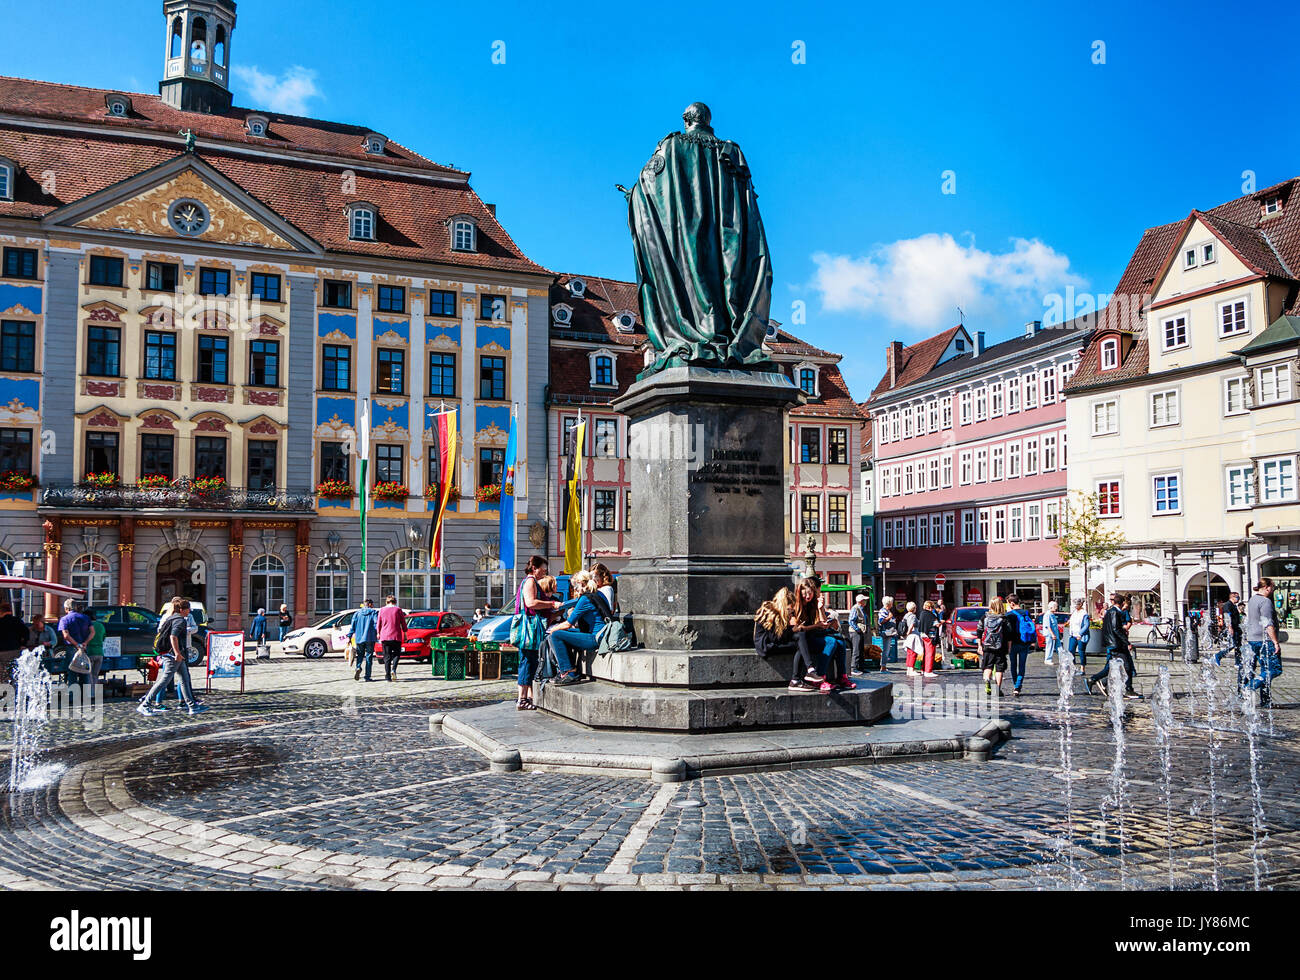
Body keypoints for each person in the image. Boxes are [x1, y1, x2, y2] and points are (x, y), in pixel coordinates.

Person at [137, 599, 207, 716]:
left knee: (184, 680)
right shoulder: (179, 620)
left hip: (176, 655)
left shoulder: (171, 618)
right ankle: (145, 704)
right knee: (164, 680)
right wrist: (177, 653)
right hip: (173, 656)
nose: (189, 611)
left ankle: (192, 706)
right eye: (188, 609)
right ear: (181, 610)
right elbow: (173, 637)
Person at [789, 576, 852, 692]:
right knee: (832, 641)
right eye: (805, 594)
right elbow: (796, 629)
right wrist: (816, 626)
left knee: (840, 641)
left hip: (811, 636)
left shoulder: (812, 605)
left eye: (810, 593)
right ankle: (820, 677)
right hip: (800, 640)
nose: (808, 596)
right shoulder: (793, 606)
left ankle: (842, 676)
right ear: (799, 592)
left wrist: (821, 608)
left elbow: (822, 622)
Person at [515, 556, 562, 709]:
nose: (545, 572)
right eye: (543, 569)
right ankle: (522, 698)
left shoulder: (531, 581)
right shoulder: (530, 581)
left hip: (531, 626)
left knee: (530, 660)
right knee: (527, 661)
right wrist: (552, 604)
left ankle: (528, 697)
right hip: (529, 627)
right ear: (534, 568)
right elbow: (530, 603)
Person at [546, 575, 608, 686]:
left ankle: (569, 673)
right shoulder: (597, 594)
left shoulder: (584, 599)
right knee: (563, 634)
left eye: (575, 586)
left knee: (556, 635)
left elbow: (568, 624)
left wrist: (552, 630)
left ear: (582, 584)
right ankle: (569, 669)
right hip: (603, 634)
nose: (574, 589)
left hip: (596, 638)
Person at [1087, 594, 1140, 699]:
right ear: (1121, 603)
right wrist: (1127, 642)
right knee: (1128, 666)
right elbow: (1116, 629)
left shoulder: (1110, 612)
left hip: (1112, 643)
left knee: (1110, 667)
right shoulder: (1115, 612)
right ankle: (1129, 690)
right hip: (1116, 644)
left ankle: (1093, 680)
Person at [1244, 579, 1281, 707]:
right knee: (1275, 669)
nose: (1272, 590)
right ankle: (1251, 686)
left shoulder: (1252, 600)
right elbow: (1268, 624)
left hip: (1253, 639)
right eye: (1272, 587)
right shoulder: (1266, 602)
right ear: (1266, 587)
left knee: (1266, 670)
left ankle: (1266, 701)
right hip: (1264, 640)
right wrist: (1275, 642)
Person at [978, 597, 1009, 697]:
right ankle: (998, 689)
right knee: (1000, 669)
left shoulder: (985, 617)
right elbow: (1009, 635)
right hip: (1001, 647)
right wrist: (1009, 647)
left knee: (987, 666)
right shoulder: (1004, 619)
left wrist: (979, 645)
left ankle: (987, 679)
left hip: (987, 646)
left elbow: (979, 631)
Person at [1004, 596, 1035, 697]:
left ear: (1012, 603)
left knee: (1013, 665)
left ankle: (1015, 686)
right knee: (1022, 665)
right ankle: (1018, 686)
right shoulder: (1026, 613)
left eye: (1008, 603)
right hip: (1024, 642)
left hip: (1012, 643)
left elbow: (1007, 631)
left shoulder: (1009, 615)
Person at [346, 598, 379, 681]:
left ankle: (358, 667)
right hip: (370, 638)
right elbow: (376, 624)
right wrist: (378, 633)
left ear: (364, 604)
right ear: (370, 604)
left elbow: (353, 626)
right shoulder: (374, 612)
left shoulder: (357, 613)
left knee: (360, 655)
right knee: (369, 656)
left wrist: (349, 636)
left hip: (359, 638)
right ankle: (367, 676)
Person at [1215, 591, 1244, 684]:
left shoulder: (1233, 605)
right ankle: (1219, 655)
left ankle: (1237, 662)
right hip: (1233, 629)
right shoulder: (1228, 605)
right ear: (1232, 597)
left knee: (1238, 646)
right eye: (1237, 597)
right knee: (1233, 645)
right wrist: (1229, 627)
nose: (1238, 599)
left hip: (1237, 628)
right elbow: (1227, 617)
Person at [377, 595, 407, 682]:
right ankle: (394, 669)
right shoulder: (398, 610)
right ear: (395, 601)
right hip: (396, 636)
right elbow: (403, 623)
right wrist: (405, 633)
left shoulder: (382, 610)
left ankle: (387, 676)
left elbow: (379, 623)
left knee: (386, 657)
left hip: (385, 636)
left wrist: (378, 633)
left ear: (386, 602)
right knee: (397, 654)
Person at [909, 600, 939, 677]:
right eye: (932, 607)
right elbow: (934, 624)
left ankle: (923, 669)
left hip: (923, 635)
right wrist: (940, 622)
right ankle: (928, 671)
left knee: (926, 652)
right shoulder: (930, 615)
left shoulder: (922, 613)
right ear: (930, 607)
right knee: (930, 653)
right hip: (930, 636)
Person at [0, 601, 29, 677]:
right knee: (15, 672)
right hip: (15, 649)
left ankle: (4, 687)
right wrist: (23, 644)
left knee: (3, 674)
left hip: (2, 651)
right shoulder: (17, 620)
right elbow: (26, 633)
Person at [847, 594, 870, 673]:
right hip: (855, 632)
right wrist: (857, 629)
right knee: (856, 650)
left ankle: (860, 667)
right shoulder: (855, 608)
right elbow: (851, 620)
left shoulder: (861, 608)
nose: (866, 601)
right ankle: (854, 668)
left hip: (860, 631)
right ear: (860, 601)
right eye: (864, 600)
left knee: (860, 650)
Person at [1067, 598, 1090, 672]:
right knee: (1070, 650)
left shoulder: (1084, 613)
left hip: (1081, 636)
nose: (1075, 606)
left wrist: (1080, 634)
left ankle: (1082, 668)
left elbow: (1086, 625)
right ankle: (1072, 666)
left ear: (1080, 604)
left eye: (1077, 604)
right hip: (1073, 635)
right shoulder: (1074, 612)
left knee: (1081, 651)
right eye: (1075, 604)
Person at [876, 596, 898, 668]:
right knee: (886, 649)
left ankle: (883, 666)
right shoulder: (883, 611)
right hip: (886, 632)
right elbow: (881, 621)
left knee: (887, 649)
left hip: (889, 632)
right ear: (889, 603)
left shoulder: (888, 611)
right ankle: (883, 666)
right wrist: (889, 617)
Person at [1042, 601, 1062, 666]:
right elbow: (1048, 626)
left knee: (1059, 646)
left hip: (1055, 634)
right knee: (1050, 647)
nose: (1056, 608)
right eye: (1055, 606)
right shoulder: (1047, 615)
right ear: (1051, 607)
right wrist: (1052, 634)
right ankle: (1048, 659)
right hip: (1050, 634)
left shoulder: (1052, 614)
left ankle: (1062, 659)